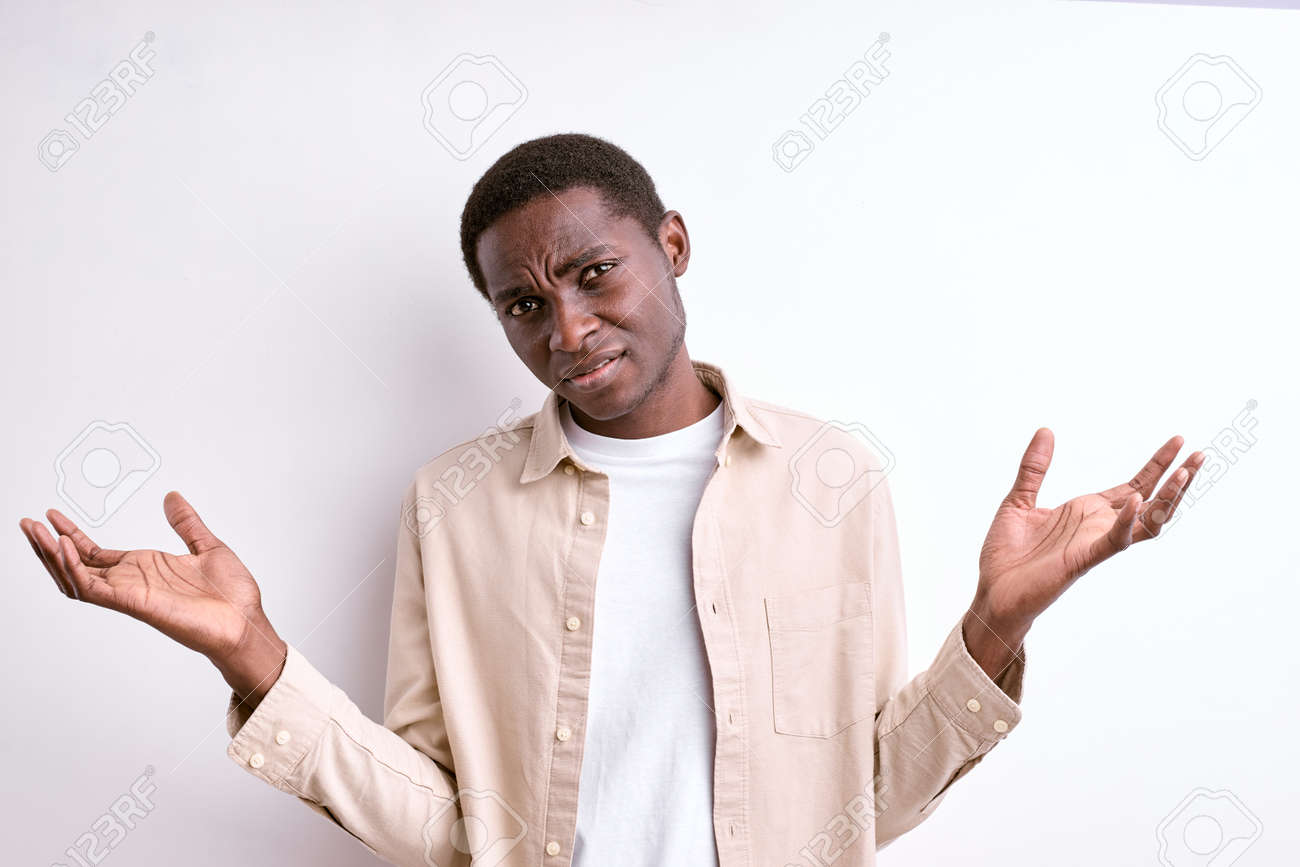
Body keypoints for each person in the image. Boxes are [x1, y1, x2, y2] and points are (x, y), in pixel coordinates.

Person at [19, 133, 1206, 867]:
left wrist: (997, 624)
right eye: (524, 305)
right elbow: (445, 827)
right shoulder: (454, 504)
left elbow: (861, 805)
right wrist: (253, 655)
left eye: (596, 274)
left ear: (671, 244)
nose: (569, 329)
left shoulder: (831, 477)